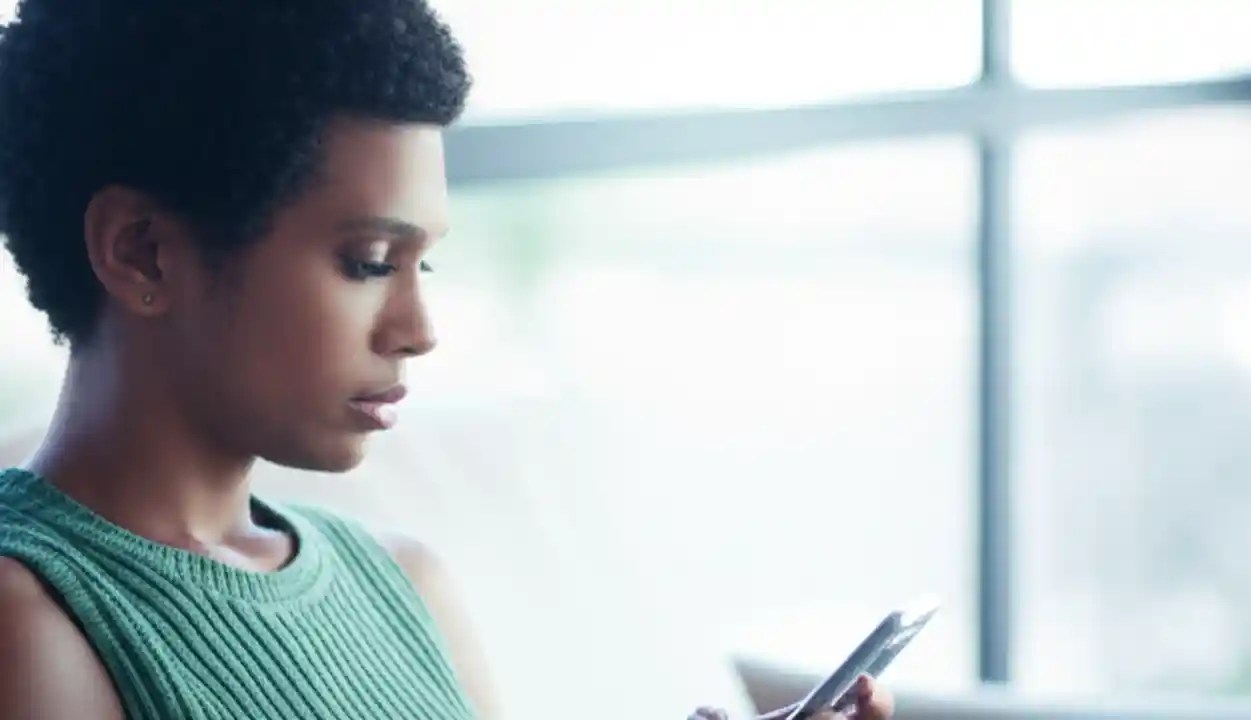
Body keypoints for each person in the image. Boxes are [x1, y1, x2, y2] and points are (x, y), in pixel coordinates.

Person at [0, 1, 894, 718]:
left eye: (421, 263)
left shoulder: (400, 582)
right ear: (144, 253)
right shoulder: (28, 620)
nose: (419, 328)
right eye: (368, 262)